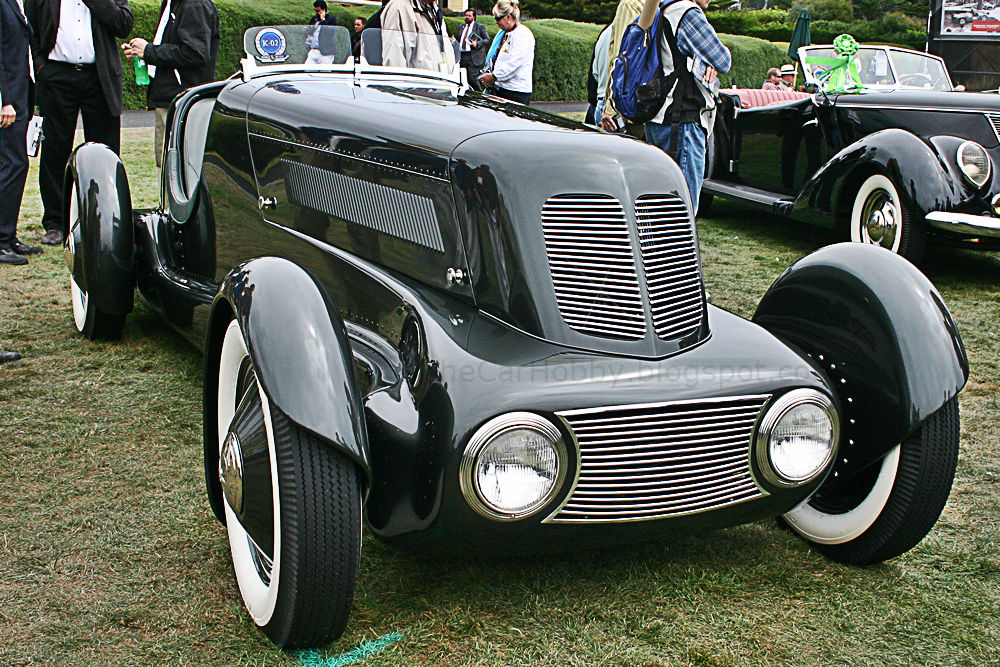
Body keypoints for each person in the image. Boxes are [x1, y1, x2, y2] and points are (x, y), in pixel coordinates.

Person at [26, 0, 133, 247]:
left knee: (105, 150)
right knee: (55, 149)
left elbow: (123, 25)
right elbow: (29, 28)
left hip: (99, 76)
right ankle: (55, 222)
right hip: (56, 75)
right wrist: (40, 64)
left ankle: (104, 218)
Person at [639, 0, 730, 211]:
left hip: (658, 116)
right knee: (684, 210)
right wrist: (709, 59)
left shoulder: (661, 9)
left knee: (659, 206)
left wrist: (703, 59)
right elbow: (723, 59)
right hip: (682, 121)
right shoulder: (687, 12)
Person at [121, 0, 219, 168]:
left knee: (178, 170)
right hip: (170, 102)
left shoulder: (194, 5)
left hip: (181, 104)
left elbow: (195, 54)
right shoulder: (172, 4)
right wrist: (144, 53)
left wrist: (148, 51)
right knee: (166, 168)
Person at [1, 0, 43, 265]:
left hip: (20, 93)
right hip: (8, 100)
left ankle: (8, 234)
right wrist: (4, 100)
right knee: (11, 164)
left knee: (17, 163)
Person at [600, 0, 643, 134]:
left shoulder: (630, 4)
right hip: (649, 105)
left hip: (626, 108)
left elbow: (623, 59)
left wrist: (611, 109)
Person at [478, 0, 533, 105]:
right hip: (501, 89)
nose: (495, 21)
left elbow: (513, 64)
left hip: (516, 92)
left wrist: (493, 76)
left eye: (498, 18)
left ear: (508, 17)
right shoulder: (505, 34)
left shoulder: (522, 35)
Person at [380, 0, 450, 71]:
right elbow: (394, 64)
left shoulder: (434, 9)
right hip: (418, 81)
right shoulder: (399, 8)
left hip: (441, 80)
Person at [586, 23, 612, 125]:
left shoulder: (605, 32)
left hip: (597, 102)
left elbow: (595, 72)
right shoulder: (630, 33)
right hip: (611, 108)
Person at [457, 9, 489, 91]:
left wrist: (477, 43)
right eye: (466, 15)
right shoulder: (461, 27)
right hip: (462, 55)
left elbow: (487, 40)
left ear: (474, 17)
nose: (467, 17)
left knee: (472, 78)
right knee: (460, 77)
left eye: (469, 16)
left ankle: (479, 94)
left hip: (473, 56)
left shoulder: (479, 27)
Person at [305, 0, 338, 64]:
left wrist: (323, 19)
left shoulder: (331, 19)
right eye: (315, 10)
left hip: (326, 52)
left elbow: (330, 32)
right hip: (314, 50)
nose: (316, 13)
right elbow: (312, 31)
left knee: (324, 72)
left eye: (318, 11)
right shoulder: (314, 19)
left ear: (324, 10)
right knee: (308, 69)